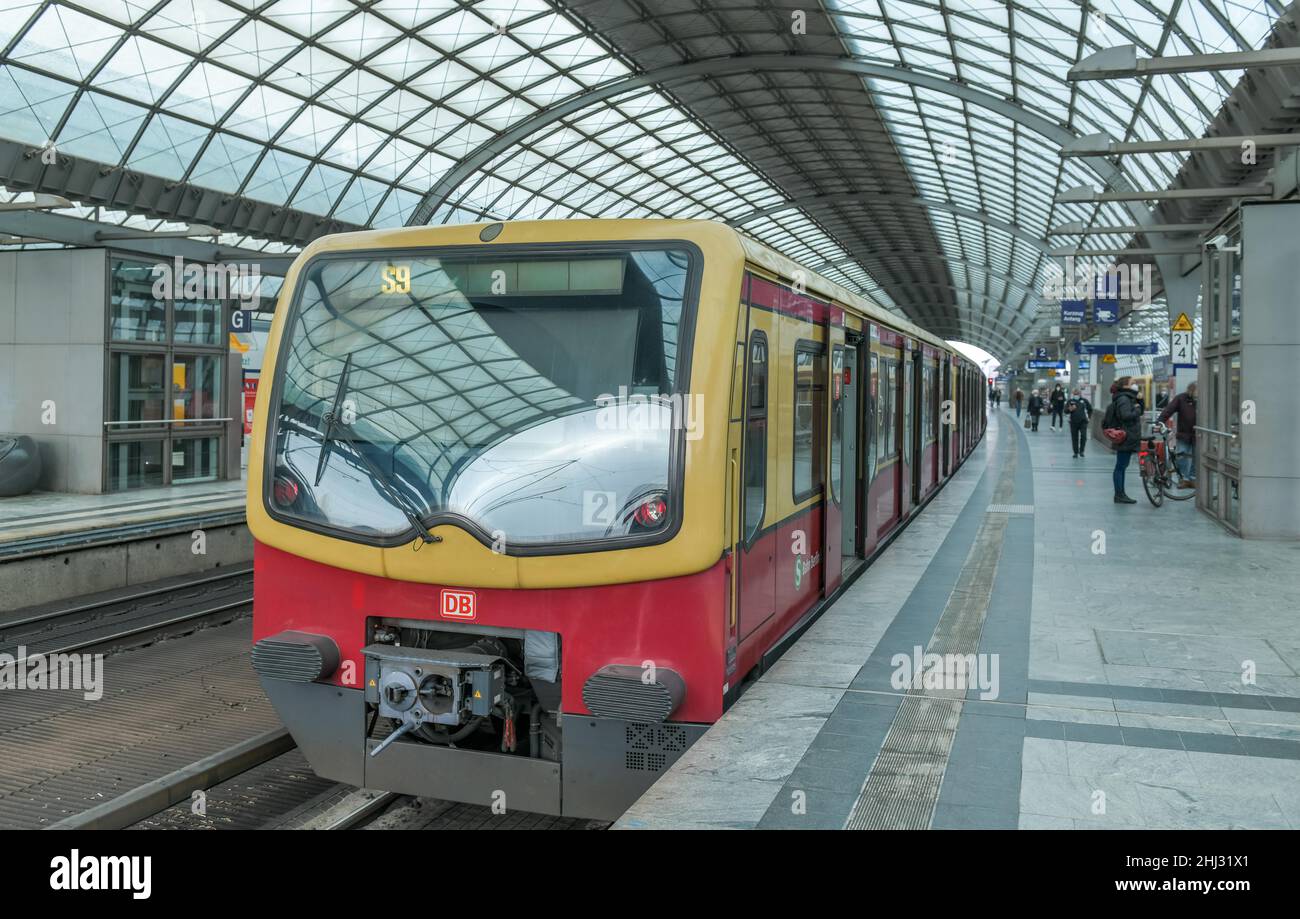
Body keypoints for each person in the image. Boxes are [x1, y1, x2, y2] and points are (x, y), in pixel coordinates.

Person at [1103, 376, 1145, 504]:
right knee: (1120, 467)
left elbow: (1139, 411)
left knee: (1121, 466)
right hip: (1126, 437)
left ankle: (1120, 494)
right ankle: (1119, 494)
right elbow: (1126, 416)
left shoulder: (1127, 397)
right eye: (1133, 383)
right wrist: (1137, 408)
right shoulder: (1124, 399)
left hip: (1127, 436)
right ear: (1126, 386)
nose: (1135, 385)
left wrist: (1140, 402)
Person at [1157, 381, 1197, 487]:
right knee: (1182, 456)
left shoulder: (1205, 398)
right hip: (1184, 433)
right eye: (1197, 391)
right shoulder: (1181, 398)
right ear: (1191, 390)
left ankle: (1193, 479)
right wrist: (1160, 421)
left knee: (1197, 457)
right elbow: (1168, 410)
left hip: (1200, 434)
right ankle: (1183, 478)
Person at [1065, 387, 1092, 458]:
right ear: (1073, 394)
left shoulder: (1084, 401)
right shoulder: (1070, 401)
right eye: (1075, 394)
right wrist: (1070, 409)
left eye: (1077, 393)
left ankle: (1082, 451)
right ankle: (1075, 452)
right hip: (1073, 422)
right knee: (1074, 437)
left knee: (1084, 436)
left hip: (1083, 422)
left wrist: (1089, 417)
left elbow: (1090, 409)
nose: (1076, 395)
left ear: (1080, 394)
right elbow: (1065, 411)